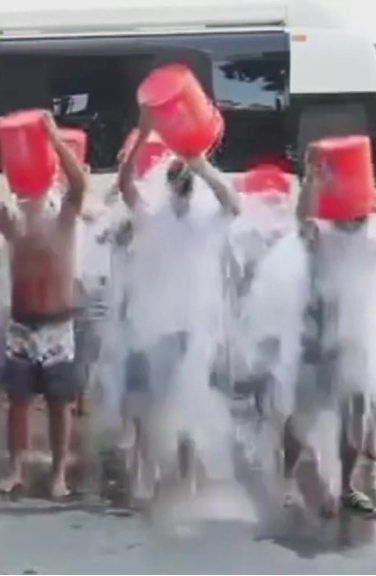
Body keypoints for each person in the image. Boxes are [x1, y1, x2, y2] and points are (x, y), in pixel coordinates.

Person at [116, 108, 239, 498]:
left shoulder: (206, 220)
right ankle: (149, 470)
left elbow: (231, 202)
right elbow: (125, 186)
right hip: (155, 323)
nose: (182, 188)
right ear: (169, 187)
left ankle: (185, 476)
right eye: (178, 181)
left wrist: (199, 164)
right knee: (150, 400)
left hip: (193, 325)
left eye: (186, 182)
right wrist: (143, 136)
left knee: (189, 399)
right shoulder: (152, 216)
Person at [0, 113, 87, 498]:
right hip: (23, 324)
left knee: (59, 404)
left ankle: (58, 473)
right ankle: (16, 468)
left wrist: (54, 139)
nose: (33, 200)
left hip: (57, 325)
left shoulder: (64, 221)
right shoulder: (14, 224)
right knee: (18, 403)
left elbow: (80, 184)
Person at [287, 145, 376, 517]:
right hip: (320, 334)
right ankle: (286, 480)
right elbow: (302, 220)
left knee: (355, 417)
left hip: (360, 339)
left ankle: (346, 488)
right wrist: (314, 179)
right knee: (303, 414)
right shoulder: (322, 231)